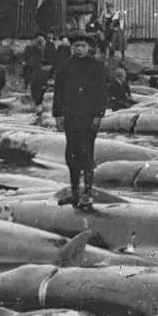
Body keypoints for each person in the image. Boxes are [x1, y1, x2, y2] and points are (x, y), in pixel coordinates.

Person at [53, 33, 108, 210]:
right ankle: (75, 193)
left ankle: (88, 194)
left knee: (86, 153)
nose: (79, 49)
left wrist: (99, 115)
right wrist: (58, 114)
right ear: (71, 47)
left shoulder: (96, 67)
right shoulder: (65, 66)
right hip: (70, 116)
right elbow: (58, 92)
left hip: (89, 117)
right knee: (71, 154)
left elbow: (101, 93)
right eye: (76, 45)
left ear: (88, 48)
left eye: (82, 46)